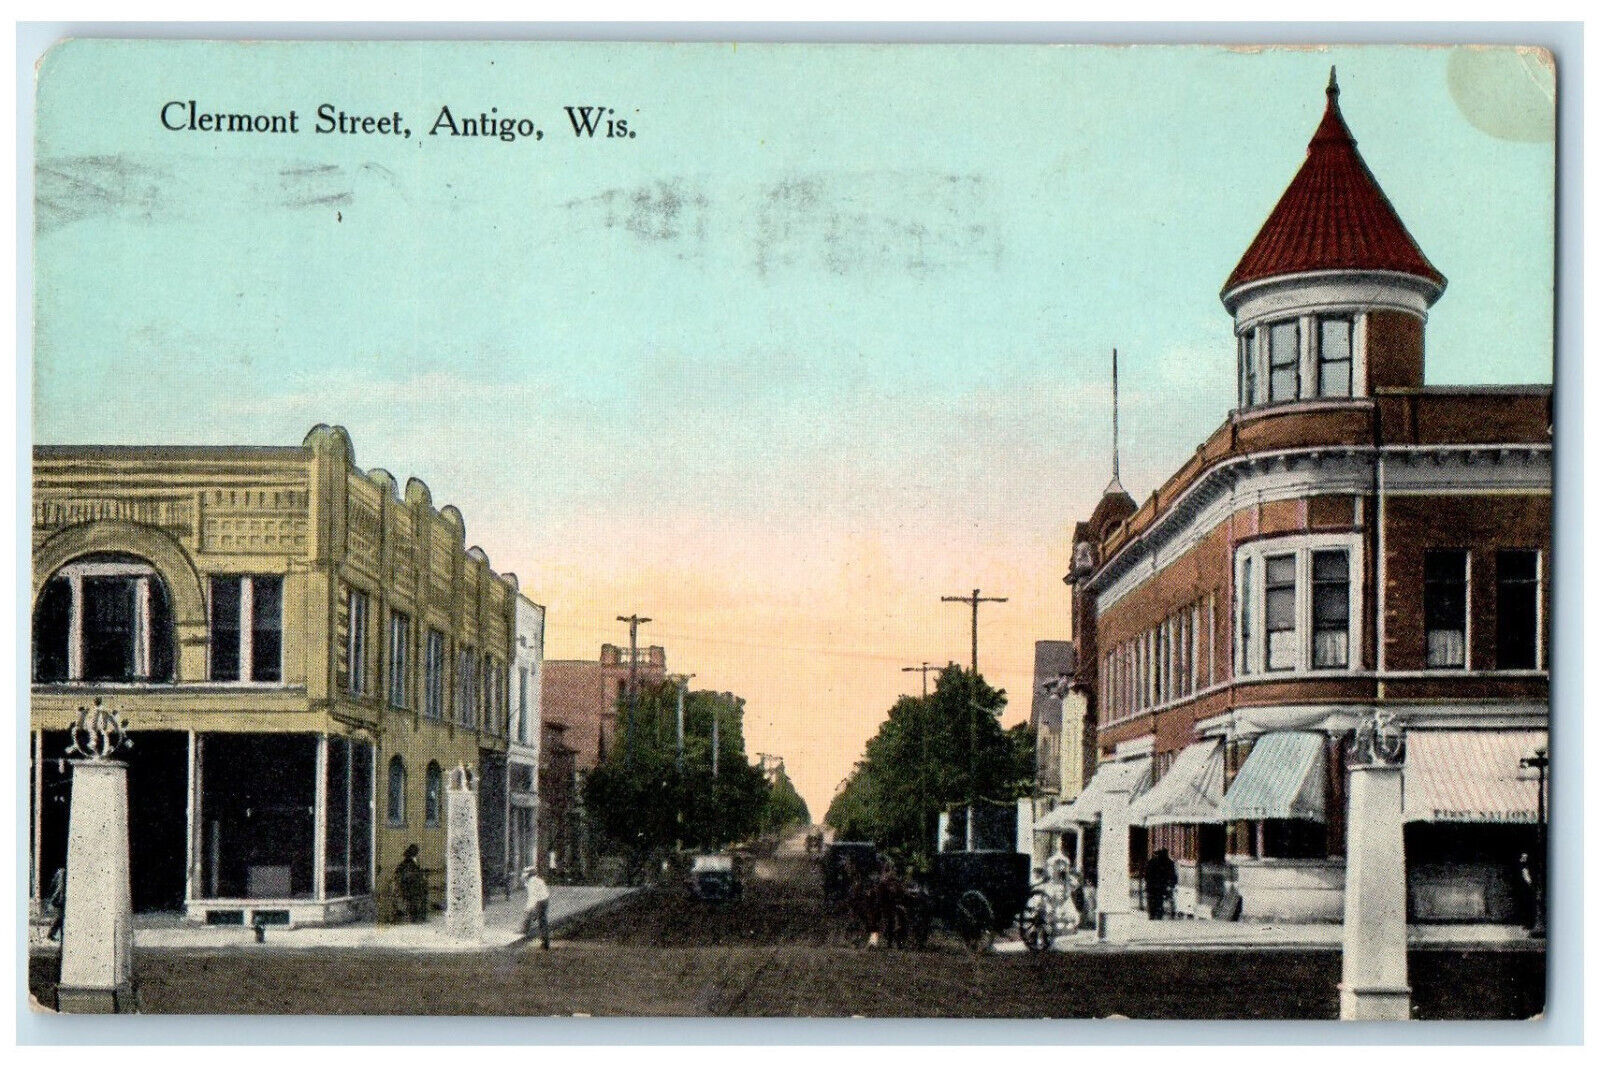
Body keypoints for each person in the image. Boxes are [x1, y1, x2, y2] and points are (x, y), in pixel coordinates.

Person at [395, 844, 428, 923]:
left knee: (422, 895)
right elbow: (400, 874)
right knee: (415, 898)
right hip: (408, 887)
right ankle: (415, 917)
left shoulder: (414, 861)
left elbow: (417, 873)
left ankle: (419, 916)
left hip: (414, 886)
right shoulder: (406, 863)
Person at [1144, 848, 1178, 920]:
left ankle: (1152, 914)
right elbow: (1173, 875)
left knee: (1152, 900)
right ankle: (1158, 913)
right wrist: (1172, 884)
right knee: (1159, 900)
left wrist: (1148, 882)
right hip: (1162, 886)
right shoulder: (1169, 862)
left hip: (1152, 886)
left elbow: (1146, 874)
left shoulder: (1152, 862)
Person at [522, 866, 551, 949]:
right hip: (545, 900)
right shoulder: (538, 880)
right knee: (541, 919)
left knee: (540, 920)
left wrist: (528, 908)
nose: (524, 875)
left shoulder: (532, 882)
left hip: (540, 901)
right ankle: (543, 939)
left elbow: (532, 897)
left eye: (525, 873)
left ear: (528, 875)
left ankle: (544, 941)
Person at [46, 867, 66, 942]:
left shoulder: (60, 872)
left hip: (59, 898)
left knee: (60, 918)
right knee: (60, 918)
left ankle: (52, 934)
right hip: (60, 899)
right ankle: (52, 934)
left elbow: (54, 885)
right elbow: (58, 888)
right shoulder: (62, 872)